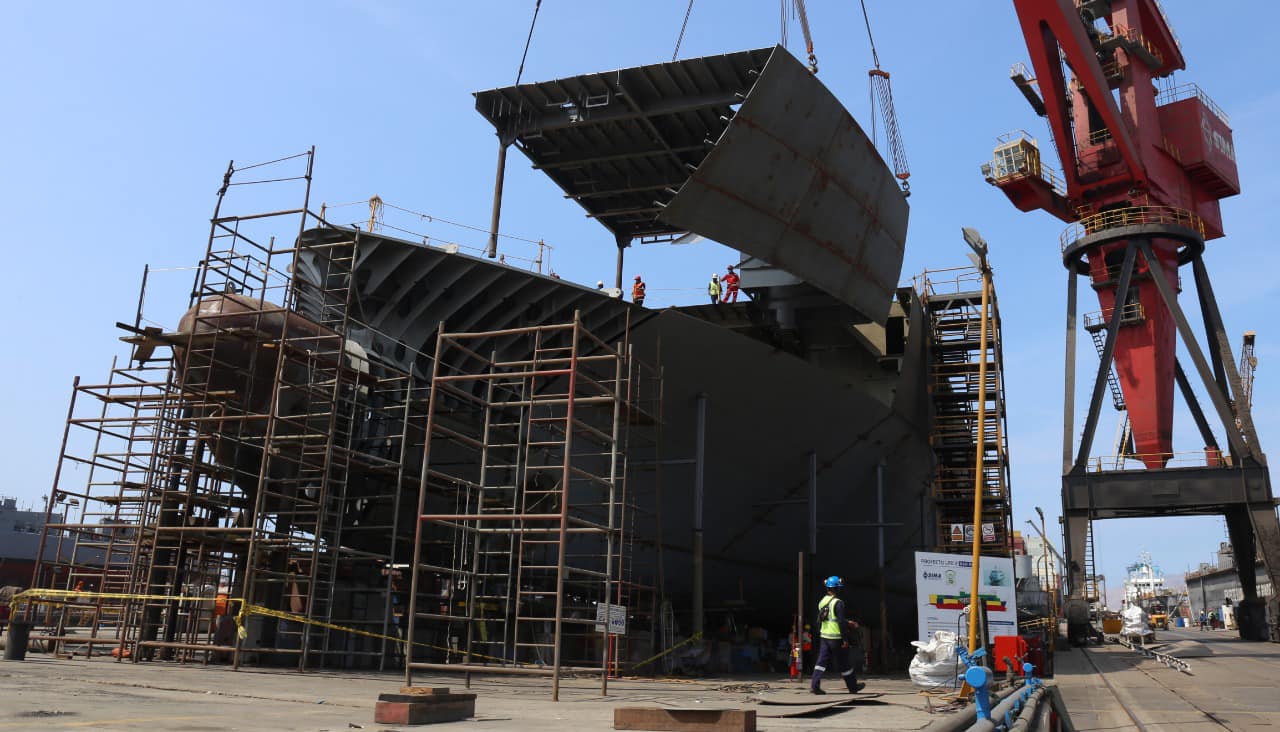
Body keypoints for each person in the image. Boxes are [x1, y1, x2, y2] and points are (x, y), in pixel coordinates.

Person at [810, 576, 865, 695]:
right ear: (837, 589)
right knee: (844, 663)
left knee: (821, 662)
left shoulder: (822, 601)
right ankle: (853, 687)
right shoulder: (838, 603)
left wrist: (847, 622)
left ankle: (815, 685)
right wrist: (845, 639)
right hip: (836, 638)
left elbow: (829, 618)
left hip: (824, 637)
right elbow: (839, 622)